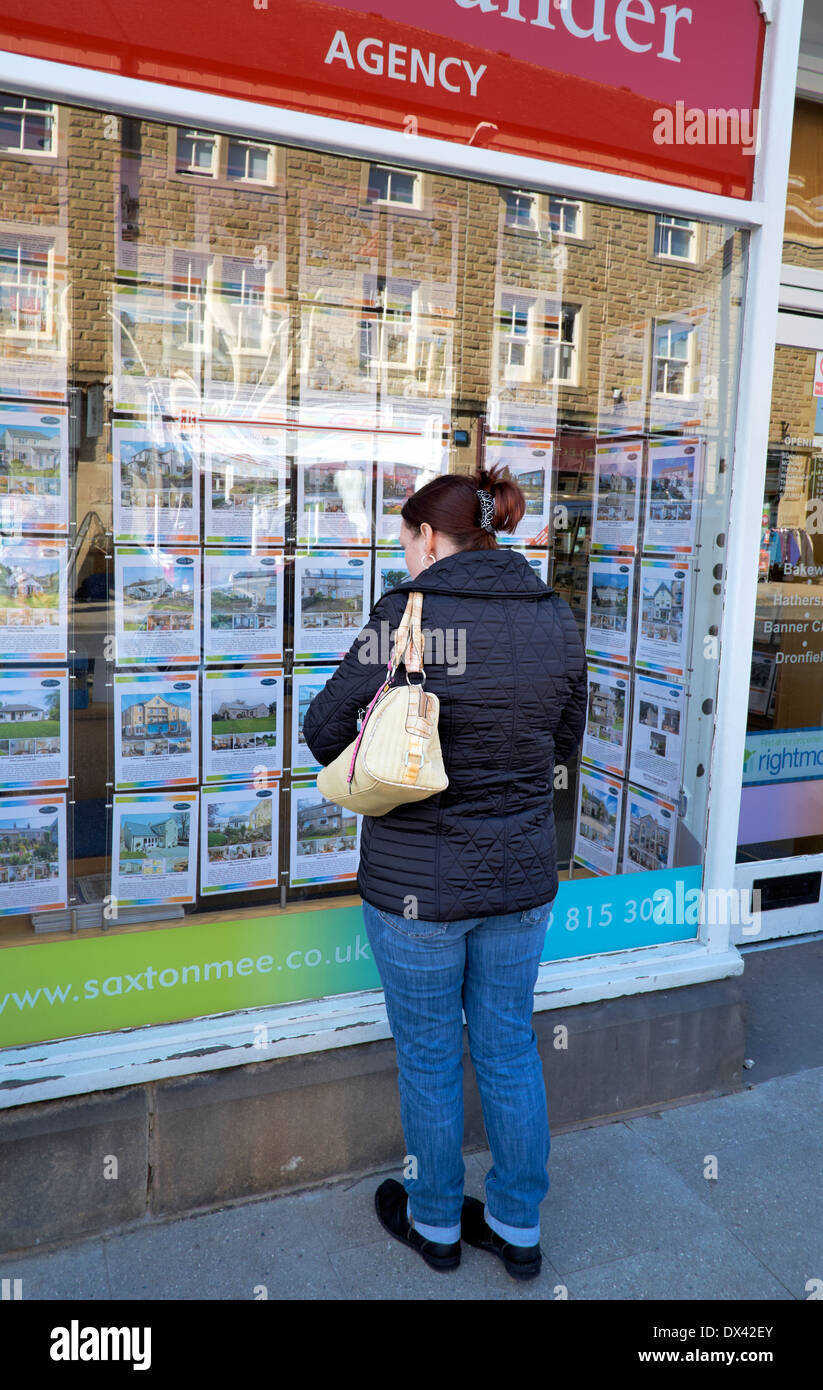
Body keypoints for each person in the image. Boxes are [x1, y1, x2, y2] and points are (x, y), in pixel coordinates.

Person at [302, 465, 588, 1281]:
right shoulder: (554, 616)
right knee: (507, 1049)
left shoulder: (406, 613)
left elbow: (323, 730)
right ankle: (518, 1228)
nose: (407, 553)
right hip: (521, 880)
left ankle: (434, 1224)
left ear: (429, 537)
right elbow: (562, 746)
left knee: (429, 1056)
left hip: (415, 889)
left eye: (406, 540)